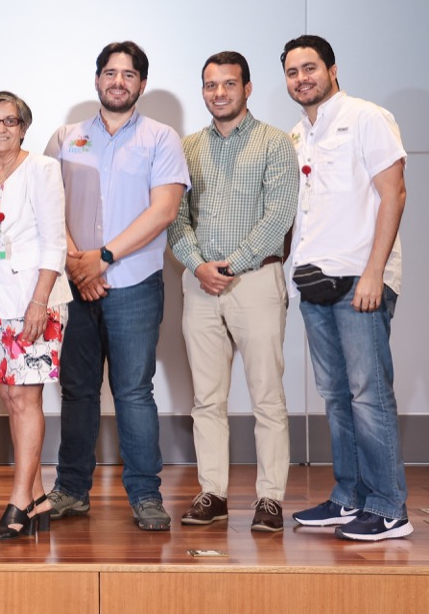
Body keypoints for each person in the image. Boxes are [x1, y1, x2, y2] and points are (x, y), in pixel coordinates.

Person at [43, 41, 189, 531]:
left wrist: (102, 259)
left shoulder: (161, 138)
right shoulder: (66, 137)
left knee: (133, 392)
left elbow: (164, 210)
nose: (118, 81)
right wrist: (75, 263)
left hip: (134, 284)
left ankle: (146, 496)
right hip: (74, 285)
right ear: (97, 79)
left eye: (129, 74)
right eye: (110, 72)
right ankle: (70, 490)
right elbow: (48, 206)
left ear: (141, 84)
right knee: (77, 390)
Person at [281, 35, 411, 541]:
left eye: (309, 68)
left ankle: (389, 506)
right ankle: (349, 497)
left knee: (368, 394)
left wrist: (375, 272)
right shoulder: (298, 134)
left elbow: (393, 192)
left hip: (361, 279)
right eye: (292, 72)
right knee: (336, 396)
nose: (301, 79)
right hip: (315, 282)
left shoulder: (366, 117)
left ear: (333, 69)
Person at [166, 52, 298, 533]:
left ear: (247, 88)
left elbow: (279, 216)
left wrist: (230, 265)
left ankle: (270, 499)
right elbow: (175, 217)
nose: (218, 93)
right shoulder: (187, 147)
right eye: (210, 85)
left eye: (228, 84)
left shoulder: (276, 144)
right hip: (199, 284)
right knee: (207, 398)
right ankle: (213, 493)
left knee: (267, 396)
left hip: (257, 281)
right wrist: (199, 265)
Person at [0, 92, 71, 541]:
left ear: (24, 127)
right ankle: (38, 497)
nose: (1, 128)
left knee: (27, 400)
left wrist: (39, 300)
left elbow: (54, 240)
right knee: (12, 399)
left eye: (10, 121)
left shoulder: (42, 169)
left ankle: (17, 503)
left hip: (36, 300)